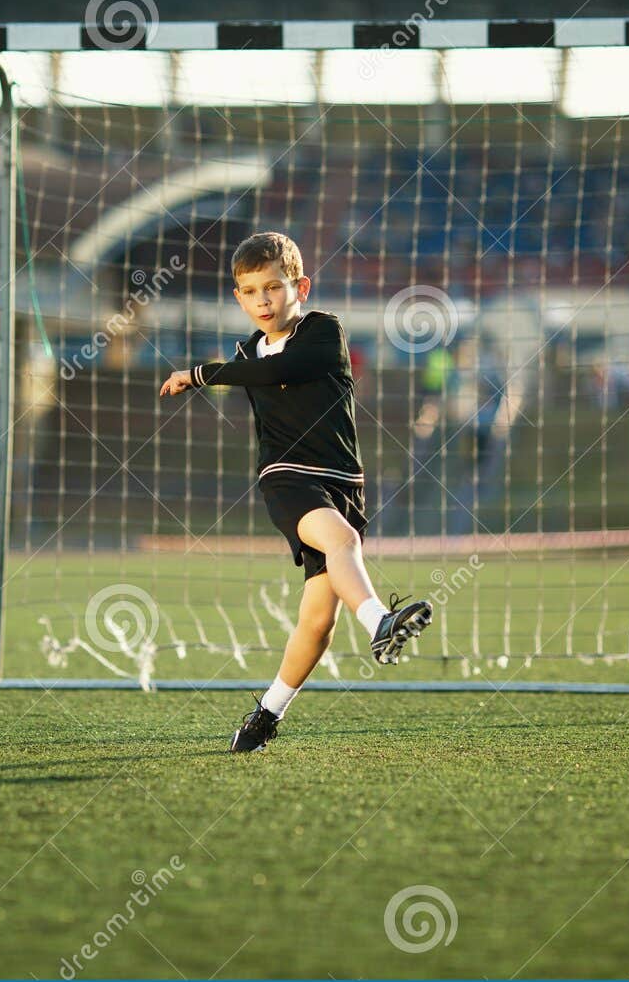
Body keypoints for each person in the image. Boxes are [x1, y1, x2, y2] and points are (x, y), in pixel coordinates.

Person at [159, 232, 434, 752]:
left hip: (345, 483)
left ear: (299, 287)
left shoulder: (323, 331)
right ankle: (381, 623)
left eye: (273, 287)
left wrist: (198, 373)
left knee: (317, 621)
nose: (262, 300)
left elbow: (278, 370)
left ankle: (266, 715)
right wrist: (207, 375)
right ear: (238, 298)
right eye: (249, 291)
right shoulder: (246, 351)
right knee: (342, 542)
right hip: (286, 476)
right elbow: (257, 370)